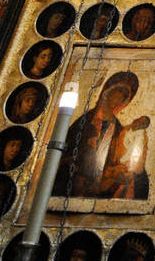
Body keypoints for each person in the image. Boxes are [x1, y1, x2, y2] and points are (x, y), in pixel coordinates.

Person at [54, 71, 148, 200]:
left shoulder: (118, 128)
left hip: (104, 180)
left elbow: (118, 156)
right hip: (78, 177)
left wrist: (120, 170)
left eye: (122, 98)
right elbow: (68, 152)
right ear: (107, 94)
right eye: (116, 94)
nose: (118, 100)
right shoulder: (85, 122)